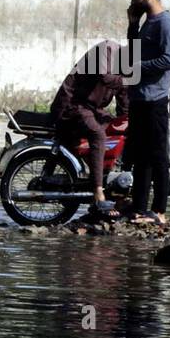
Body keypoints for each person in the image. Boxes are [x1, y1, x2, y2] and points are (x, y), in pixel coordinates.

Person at [121, 0, 170, 224]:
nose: (132, 1)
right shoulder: (146, 22)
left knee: (158, 157)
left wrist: (138, 66)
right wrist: (132, 25)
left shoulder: (165, 23)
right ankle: (140, 208)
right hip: (139, 98)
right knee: (140, 156)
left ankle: (160, 212)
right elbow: (132, 54)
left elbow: (169, 60)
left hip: (155, 100)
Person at [51, 39, 127, 218]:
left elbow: (125, 101)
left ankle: (116, 191)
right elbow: (104, 77)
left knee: (117, 131)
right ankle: (98, 192)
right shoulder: (106, 49)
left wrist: (127, 119)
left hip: (92, 109)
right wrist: (130, 81)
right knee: (98, 134)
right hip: (72, 105)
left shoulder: (128, 68)